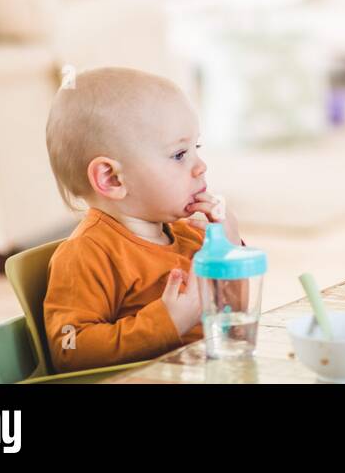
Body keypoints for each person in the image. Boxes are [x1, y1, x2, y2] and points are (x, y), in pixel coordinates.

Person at [43, 67, 243, 371]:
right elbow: (69, 350)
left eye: (196, 148)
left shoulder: (192, 234)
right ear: (111, 178)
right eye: (179, 155)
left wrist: (229, 250)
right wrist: (166, 322)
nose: (200, 166)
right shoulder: (86, 255)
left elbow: (235, 325)